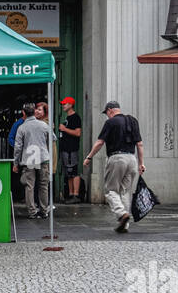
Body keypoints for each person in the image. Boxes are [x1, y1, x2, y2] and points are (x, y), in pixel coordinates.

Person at [82, 100, 144, 233]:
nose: (107, 115)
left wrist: (89, 157)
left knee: (110, 191)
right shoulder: (133, 121)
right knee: (125, 192)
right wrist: (141, 163)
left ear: (110, 110)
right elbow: (140, 144)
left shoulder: (110, 122)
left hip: (116, 158)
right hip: (132, 159)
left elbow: (100, 142)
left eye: (107, 113)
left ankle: (122, 214)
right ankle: (125, 225)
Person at [12, 102, 51, 218]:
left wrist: (16, 163)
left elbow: (18, 147)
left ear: (24, 113)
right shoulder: (43, 125)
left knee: (30, 186)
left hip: (29, 159)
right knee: (44, 185)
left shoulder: (22, 127)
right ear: (34, 112)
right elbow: (52, 138)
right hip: (43, 158)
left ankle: (32, 212)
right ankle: (44, 210)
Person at [58, 97, 83, 202]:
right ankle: (70, 194)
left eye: (65, 104)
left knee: (73, 171)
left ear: (71, 105)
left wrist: (64, 129)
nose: (63, 106)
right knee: (68, 173)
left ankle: (75, 195)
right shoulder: (67, 118)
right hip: (65, 148)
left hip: (71, 149)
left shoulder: (75, 117)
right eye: (63, 104)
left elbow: (78, 133)